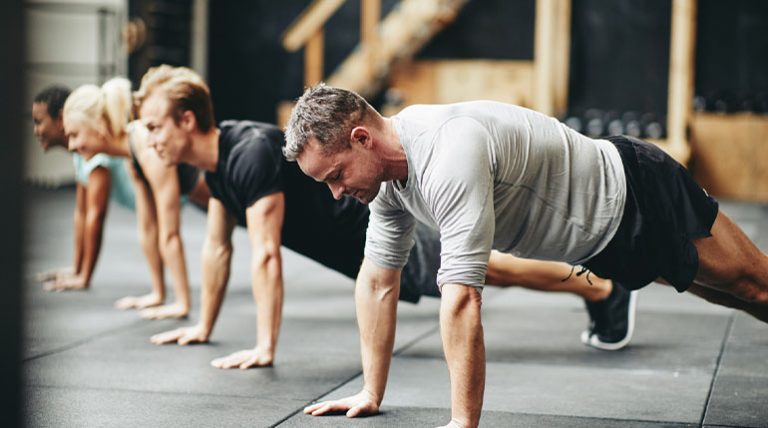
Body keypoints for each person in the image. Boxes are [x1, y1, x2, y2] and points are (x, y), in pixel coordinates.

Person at [284, 84, 768, 428]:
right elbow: (377, 281)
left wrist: (461, 423)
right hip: (602, 247)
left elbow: (462, 298)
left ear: (362, 139)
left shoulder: (448, 150)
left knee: (755, 287)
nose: (336, 193)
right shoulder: (388, 184)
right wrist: (370, 392)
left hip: (638, 194)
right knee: (731, 295)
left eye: (336, 175)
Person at [135, 66, 636, 372]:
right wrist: (203, 325)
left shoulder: (247, 154)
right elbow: (217, 248)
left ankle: (602, 290)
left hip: (374, 219)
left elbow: (266, 254)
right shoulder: (219, 167)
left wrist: (264, 347)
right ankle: (598, 289)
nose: (150, 140)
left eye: (155, 126)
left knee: (485, 269)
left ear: (186, 120)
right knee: (483, 271)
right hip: (347, 245)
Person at [61, 78, 208, 319]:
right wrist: (157, 294)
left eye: (75, 135)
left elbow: (170, 233)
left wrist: (182, 304)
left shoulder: (149, 148)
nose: (71, 145)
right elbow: (148, 227)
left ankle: (182, 299)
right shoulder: (132, 151)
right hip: (204, 197)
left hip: (225, 193)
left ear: (99, 125)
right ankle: (159, 291)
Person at [32, 85, 135, 292]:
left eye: (39, 122)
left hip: (176, 192)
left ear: (60, 118)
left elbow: (96, 215)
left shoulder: (93, 152)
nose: (36, 131)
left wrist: (84, 278)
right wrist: (76, 269)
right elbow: (81, 212)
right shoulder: (80, 152)